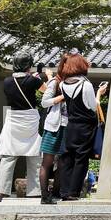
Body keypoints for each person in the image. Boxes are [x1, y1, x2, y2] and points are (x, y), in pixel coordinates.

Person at [0, 54, 43, 202]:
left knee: (8, 154)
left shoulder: (7, 81)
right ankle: (35, 191)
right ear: (29, 65)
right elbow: (45, 91)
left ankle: (0, 191)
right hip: (30, 120)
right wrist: (38, 77)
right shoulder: (33, 80)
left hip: (13, 118)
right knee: (35, 154)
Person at [57, 55, 106, 201]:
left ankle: (64, 191)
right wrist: (99, 94)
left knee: (67, 157)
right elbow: (92, 106)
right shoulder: (86, 85)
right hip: (85, 126)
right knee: (81, 158)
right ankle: (73, 192)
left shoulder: (63, 84)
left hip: (70, 124)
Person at [37, 58, 69, 204]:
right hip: (53, 125)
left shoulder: (77, 83)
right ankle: (44, 195)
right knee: (47, 161)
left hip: (68, 125)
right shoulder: (55, 82)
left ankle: (56, 192)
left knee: (63, 162)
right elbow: (44, 102)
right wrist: (62, 97)